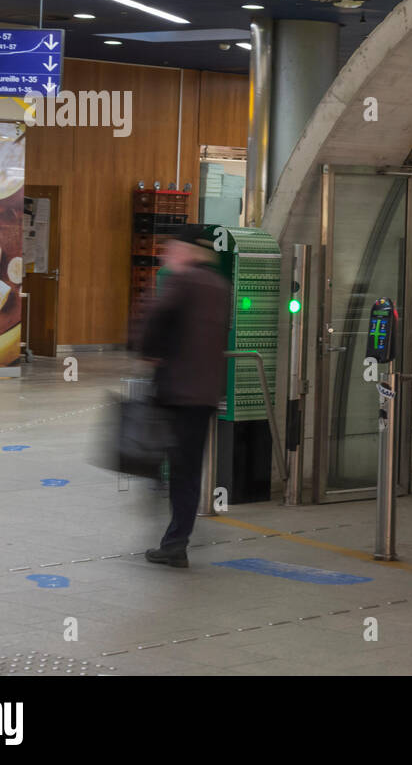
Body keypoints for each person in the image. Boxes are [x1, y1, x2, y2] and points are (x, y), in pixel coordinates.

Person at [132, 224, 231, 568]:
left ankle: (173, 541)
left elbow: (155, 319)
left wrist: (149, 352)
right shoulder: (220, 285)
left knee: (163, 459)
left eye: (171, 249)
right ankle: (177, 538)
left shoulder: (183, 280)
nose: (167, 255)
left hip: (176, 391)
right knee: (189, 469)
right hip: (205, 395)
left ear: (186, 251)